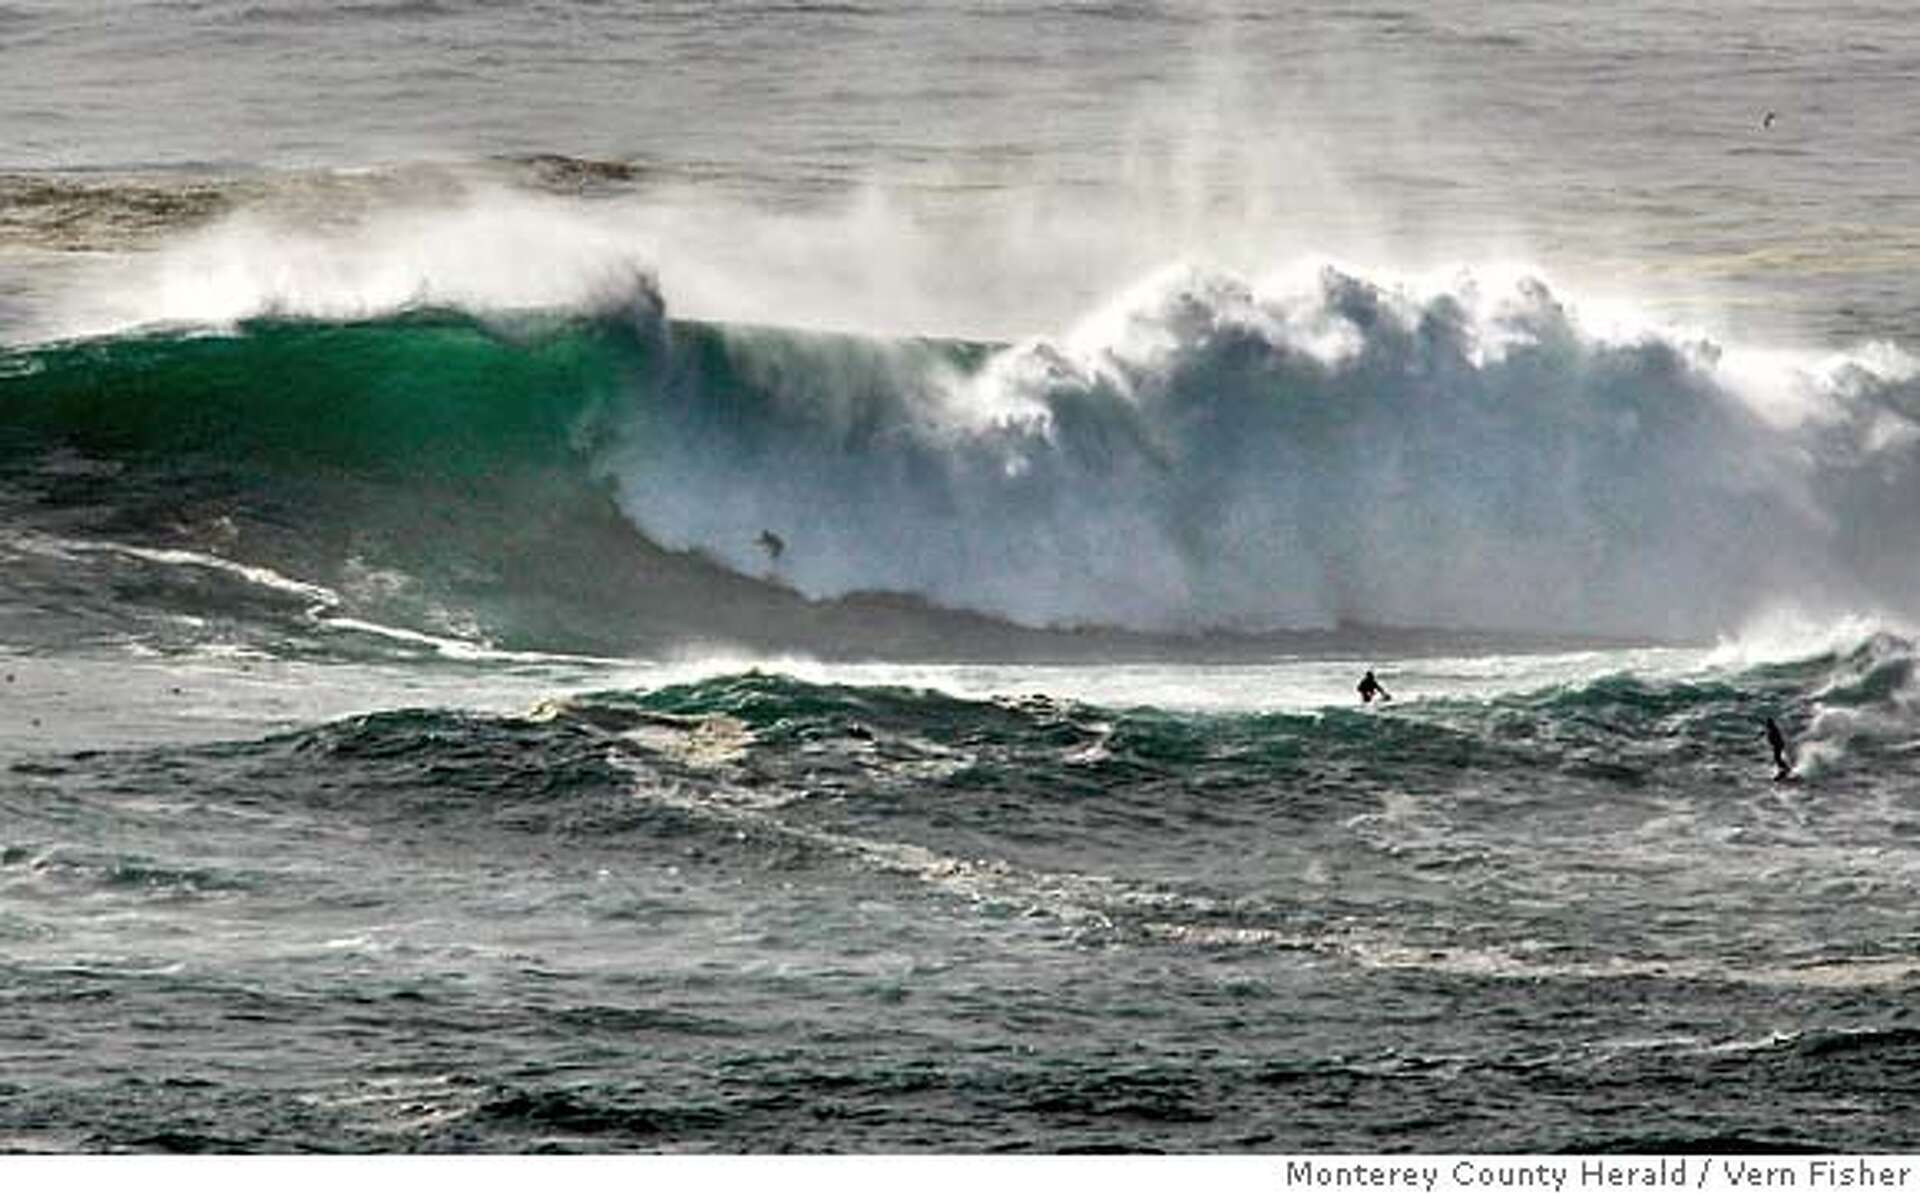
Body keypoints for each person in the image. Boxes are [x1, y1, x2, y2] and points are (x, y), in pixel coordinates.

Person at [1764, 716, 1794, 781]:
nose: (1767, 724)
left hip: (1778, 745)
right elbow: (1766, 732)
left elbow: (1777, 738)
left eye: (1768, 723)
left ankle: (1786, 769)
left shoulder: (1774, 729)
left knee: (1777, 758)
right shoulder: (1771, 729)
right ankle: (1784, 769)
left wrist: (1776, 744)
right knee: (1777, 758)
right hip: (1777, 745)